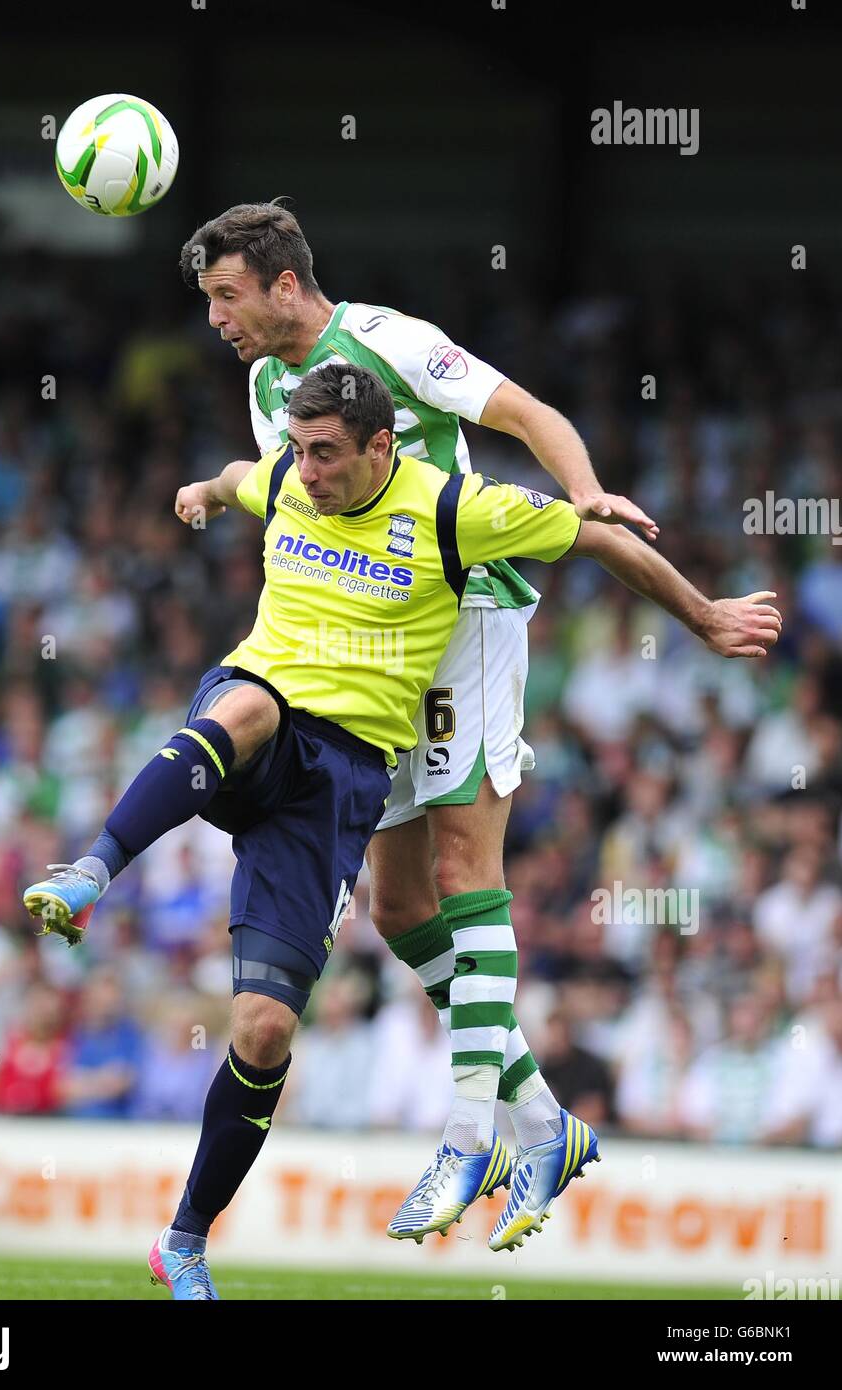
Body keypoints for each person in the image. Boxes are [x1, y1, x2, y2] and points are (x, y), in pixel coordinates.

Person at [22, 364, 780, 1298]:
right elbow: (233, 476)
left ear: (382, 446)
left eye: (325, 453)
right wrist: (201, 493)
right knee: (248, 707)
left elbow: (595, 539)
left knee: (262, 1031)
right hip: (263, 715)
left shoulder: (456, 510)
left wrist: (704, 616)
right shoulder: (287, 480)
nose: (304, 472)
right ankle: (90, 872)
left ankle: (183, 1241)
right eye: (296, 451)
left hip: (343, 786)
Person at [182, 200, 657, 1246]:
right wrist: (220, 497)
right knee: (396, 908)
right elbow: (306, 496)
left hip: (469, 609)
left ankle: (466, 1132)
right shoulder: (270, 387)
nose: (215, 318)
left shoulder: (391, 344)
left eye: (226, 295)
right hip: (381, 645)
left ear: (284, 284)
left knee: (459, 870)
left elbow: (526, 413)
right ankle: (543, 1122)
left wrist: (586, 492)